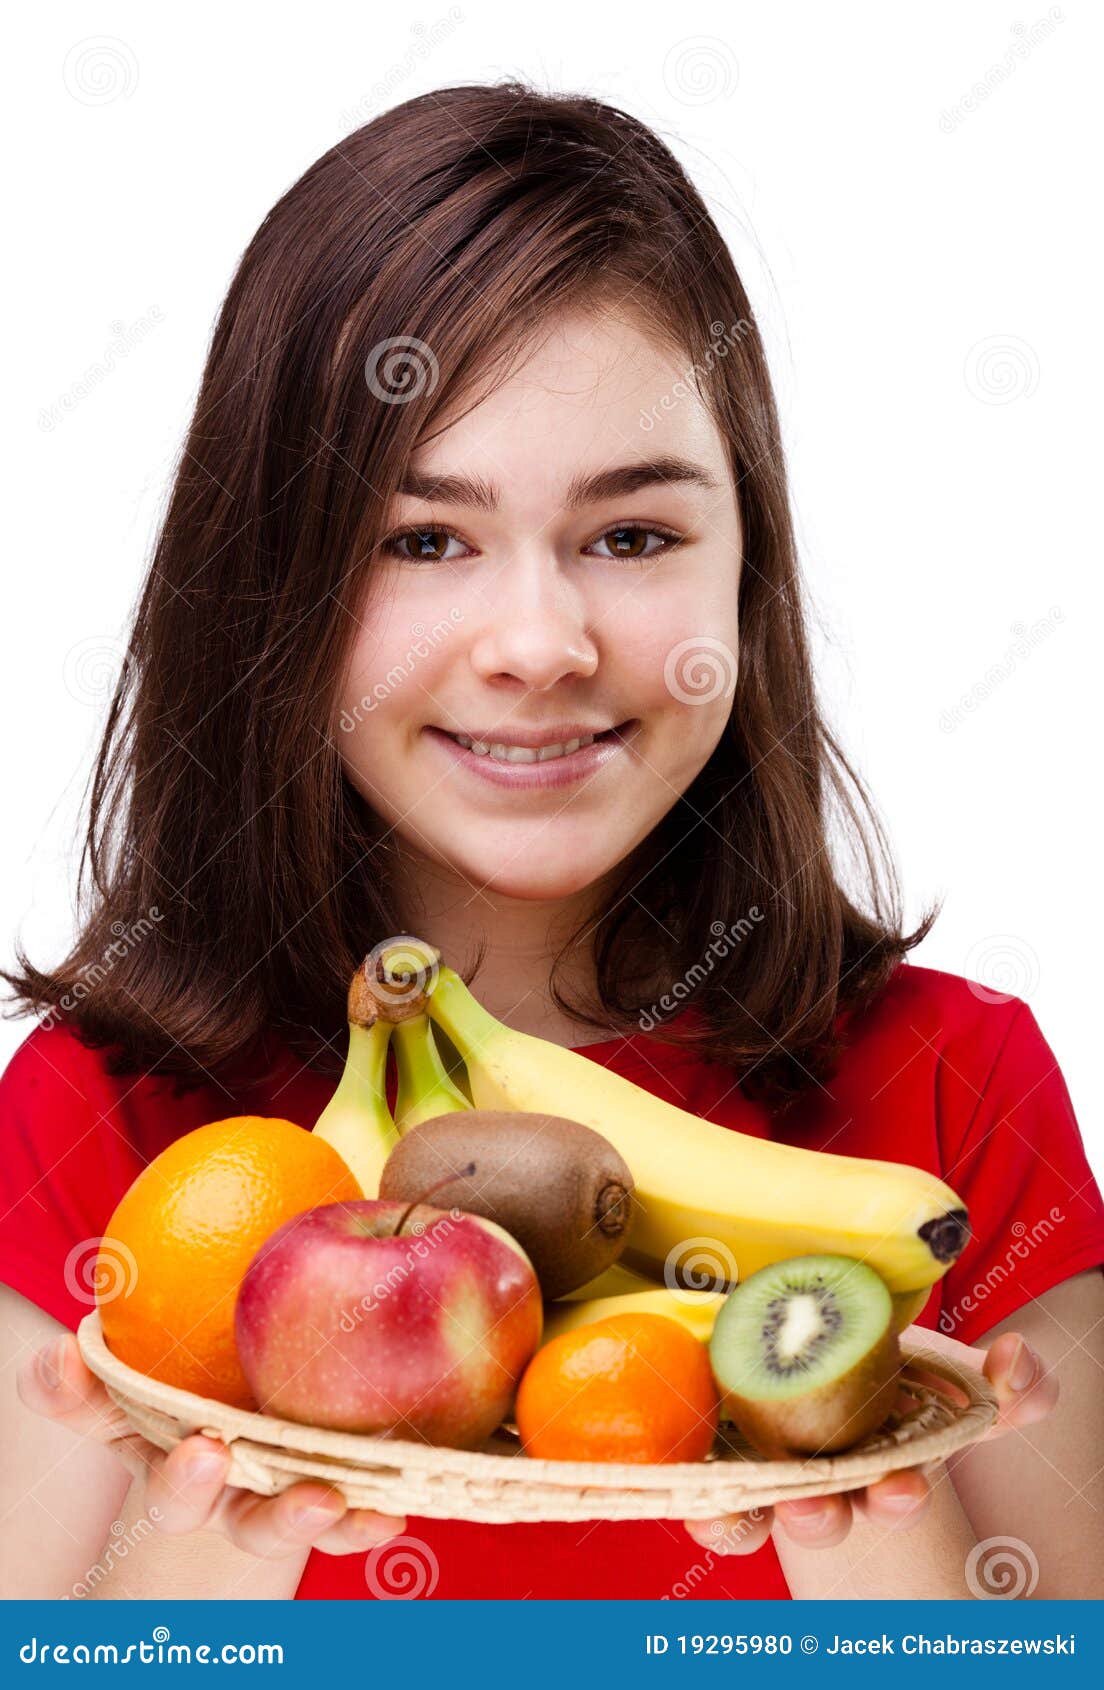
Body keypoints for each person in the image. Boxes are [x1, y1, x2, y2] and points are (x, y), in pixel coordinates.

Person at [2, 82, 1100, 1603]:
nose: (538, 641)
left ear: (748, 572)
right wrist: (213, 1534)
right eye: (424, 538)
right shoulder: (101, 1131)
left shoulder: (959, 1105)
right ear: (272, 588)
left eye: (633, 536)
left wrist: (851, 1490)